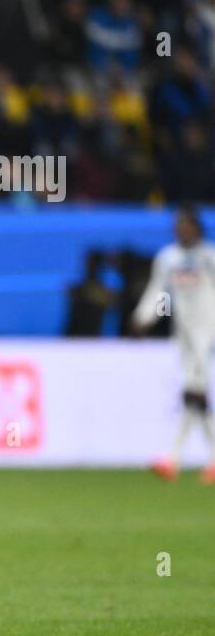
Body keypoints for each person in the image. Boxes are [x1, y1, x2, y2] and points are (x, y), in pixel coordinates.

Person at [132, 206, 215, 482]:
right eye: (179, 226)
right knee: (195, 395)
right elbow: (160, 293)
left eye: (188, 226)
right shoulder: (168, 258)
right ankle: (184, 460)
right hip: (184, 333)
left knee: (194, 392)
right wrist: (144, 317)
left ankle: (174, 458)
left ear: (198, 229)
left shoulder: (209, 257)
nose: (183, 231)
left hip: (209, 331)